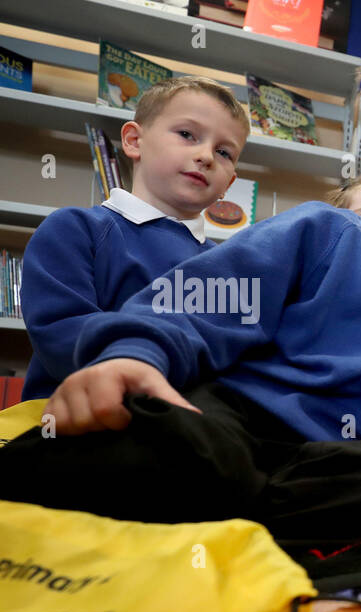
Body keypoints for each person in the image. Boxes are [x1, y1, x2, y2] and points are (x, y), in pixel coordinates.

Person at [0, 55, 361, 545]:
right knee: (176, 434)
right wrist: (133, 353)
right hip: (241, 421)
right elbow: (199, 301)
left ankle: (225, 521)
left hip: (345, 460)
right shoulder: (320, 227)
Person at [20, 76, 249, 399]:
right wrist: (138, 362)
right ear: (133, 141)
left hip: (184, 425)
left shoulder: (223, 264)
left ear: (229, 183)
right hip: (80, 420)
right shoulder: (74, 229)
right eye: (187, 134)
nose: (206, 156)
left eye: (224, 152)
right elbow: (58, 329)